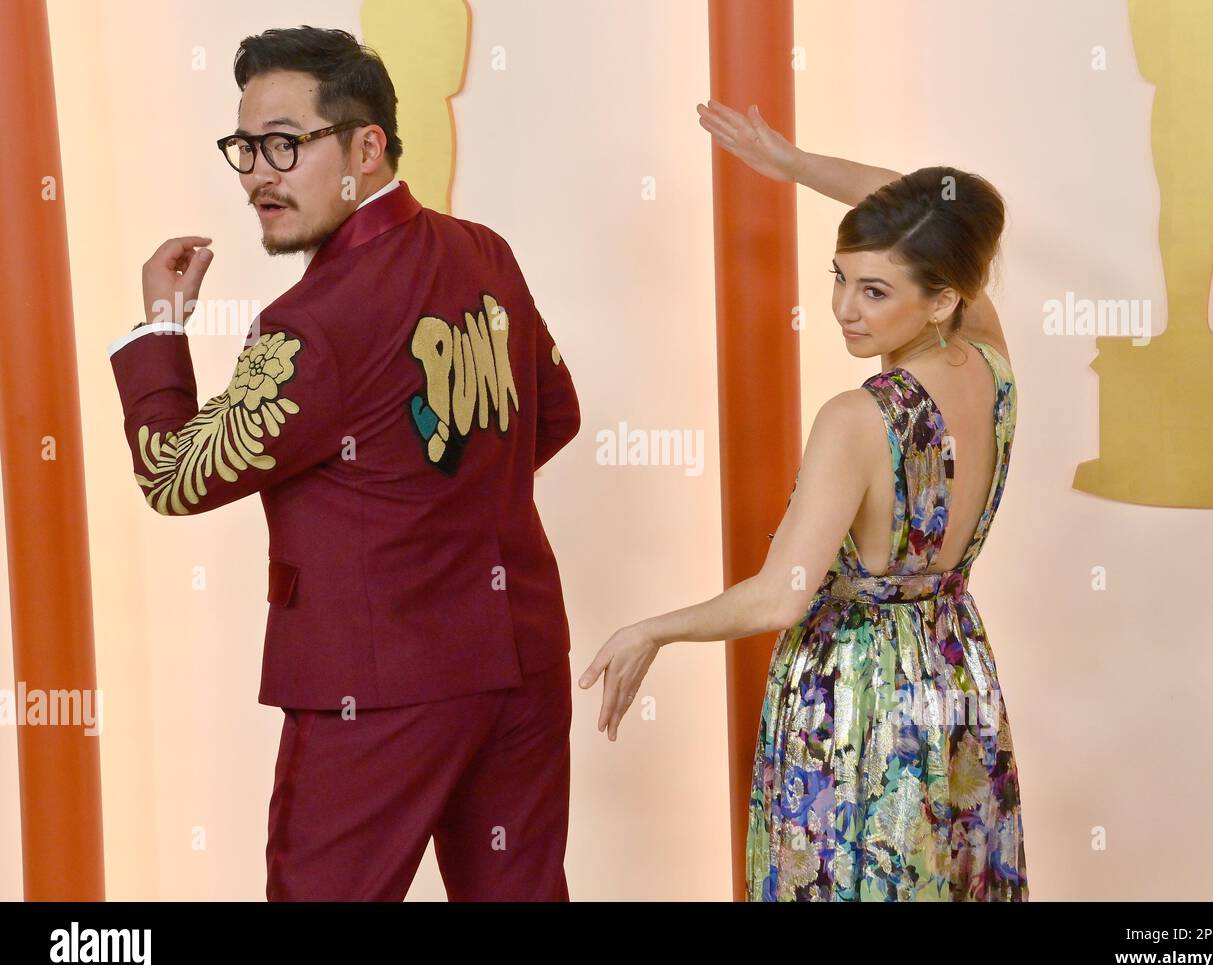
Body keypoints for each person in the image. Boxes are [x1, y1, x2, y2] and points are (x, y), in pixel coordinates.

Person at [107, 27, 580, 901]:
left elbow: (174, 475)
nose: (257, 173)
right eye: (244, 147)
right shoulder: (484, 251)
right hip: (521, 656)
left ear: (367, 146)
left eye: (285, 143)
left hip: (376, 688)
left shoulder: (307, 326)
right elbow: (554, 416)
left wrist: (161, 329)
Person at [579, 100, 1027, 901]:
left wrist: (652, 630)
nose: (846, 310)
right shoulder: (988, 359)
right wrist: (793, 167)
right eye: (840, 279)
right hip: (956, 674)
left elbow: (780, 598)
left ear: (938, 298)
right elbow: (921, 205)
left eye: (875, 291)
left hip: (852, 699)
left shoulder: (858, 417)